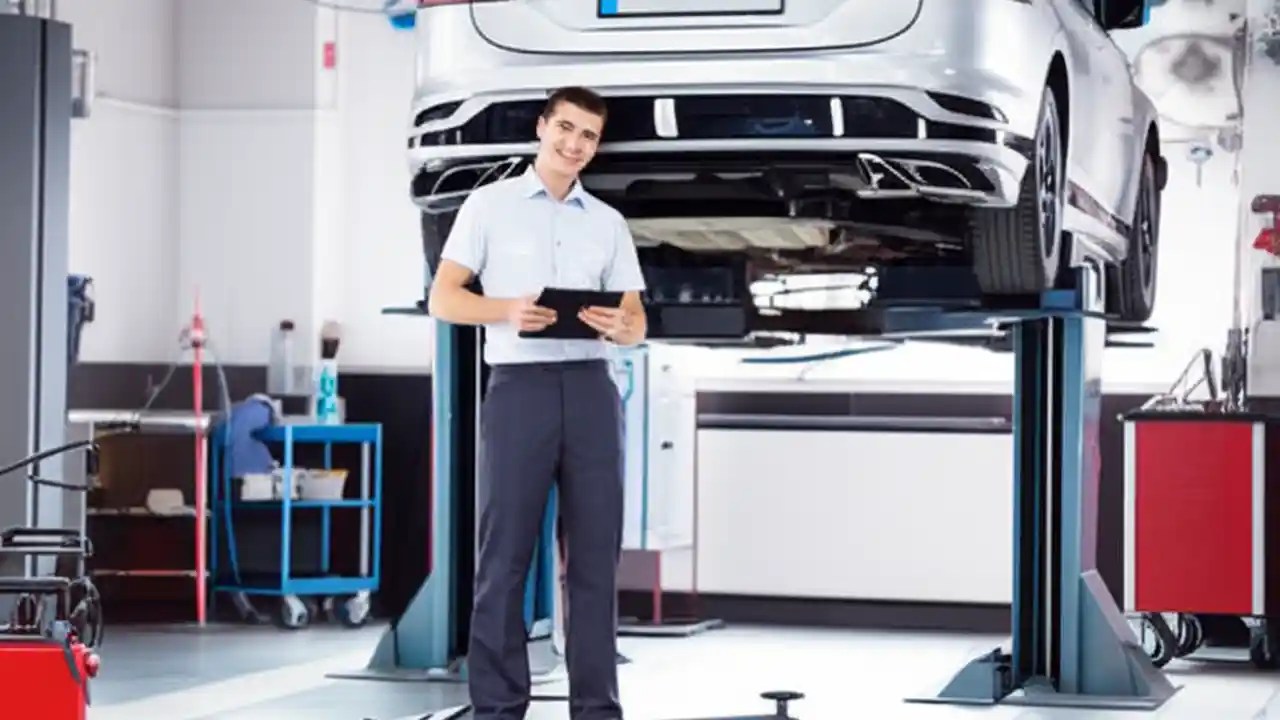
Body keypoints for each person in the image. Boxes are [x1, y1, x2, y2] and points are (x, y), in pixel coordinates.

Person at [426, 86, 646, 720]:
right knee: (505, 555)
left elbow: (637, 321)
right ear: (542, 127)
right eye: (566, 129)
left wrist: (617, 325)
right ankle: (496, 709)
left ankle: (598, 709)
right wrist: (507, 311)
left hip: (591, 392)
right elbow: (445, 299)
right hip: (520, 391)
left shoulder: (607, 222)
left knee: (596, 561)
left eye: (588, 137)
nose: (574, 145)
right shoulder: (489, 206)